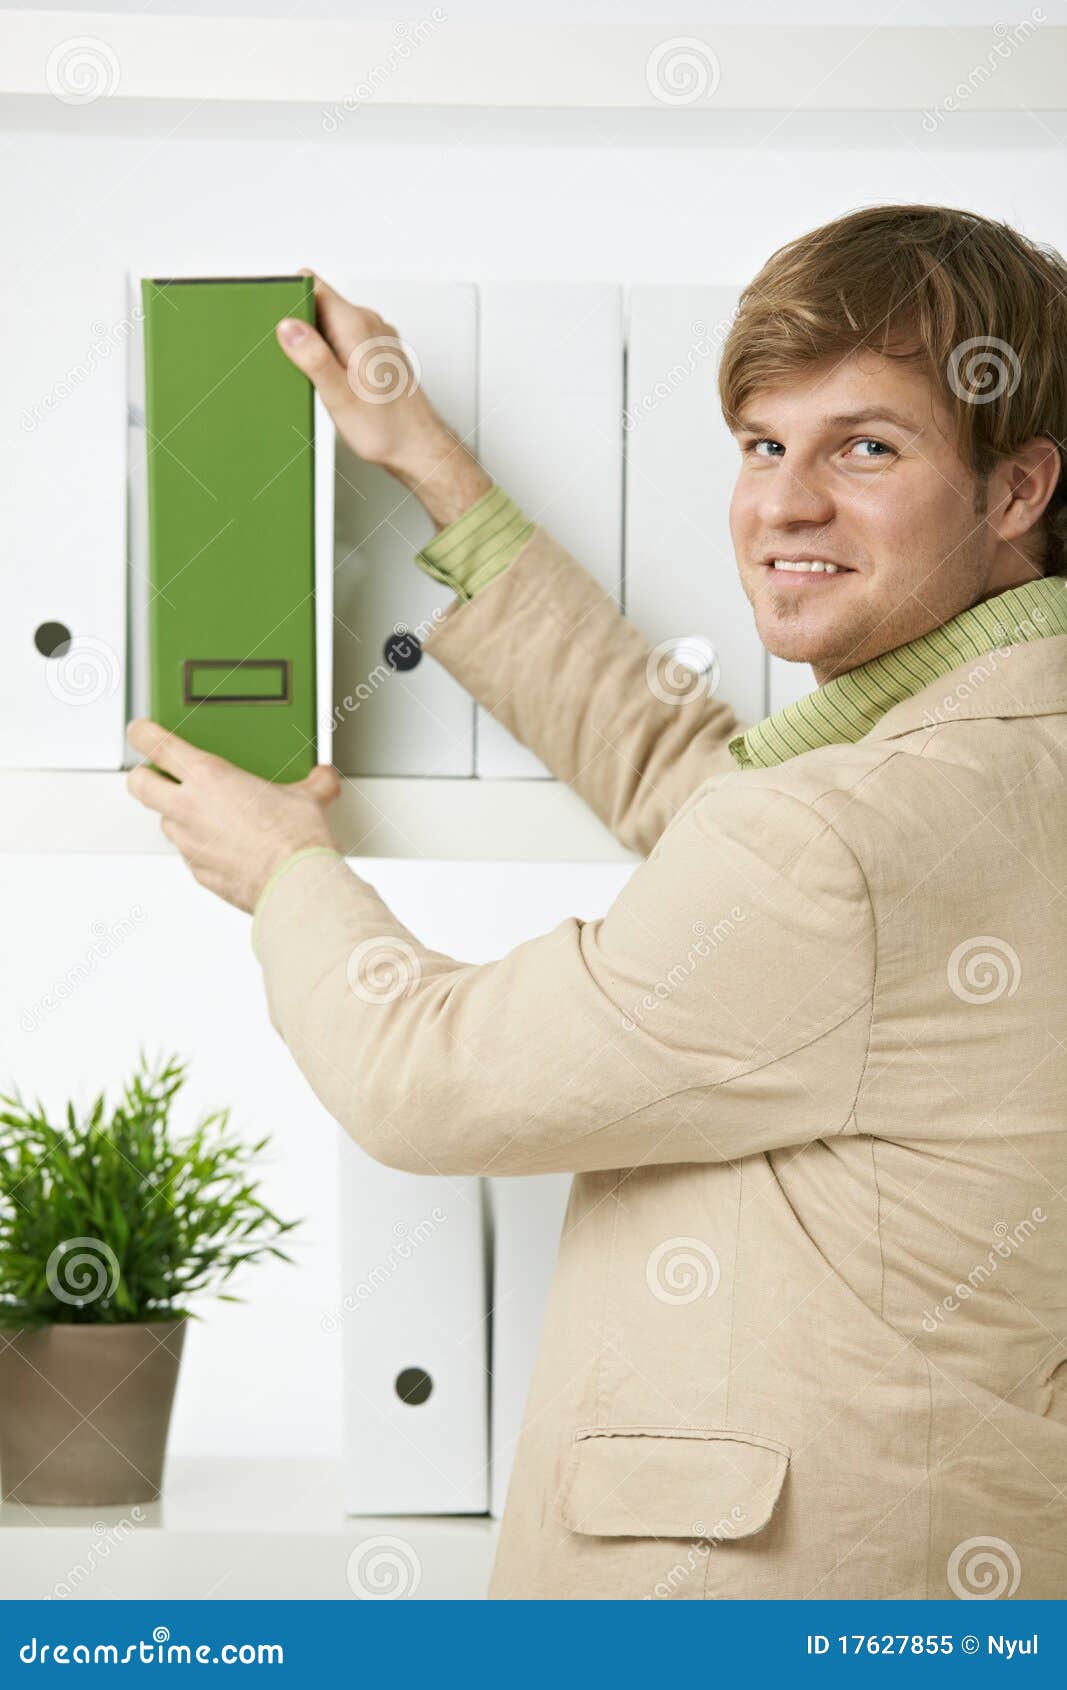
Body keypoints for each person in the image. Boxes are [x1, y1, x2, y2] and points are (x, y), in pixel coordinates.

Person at [127, 204, 1067, 1600]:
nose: (784, 504)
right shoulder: (983, 760)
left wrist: (281, 873)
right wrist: (443, 480)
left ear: (1014, 489)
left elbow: (426, 1079)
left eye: (865, 447)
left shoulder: (850, 837)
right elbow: (716, 806)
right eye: (762, 446)